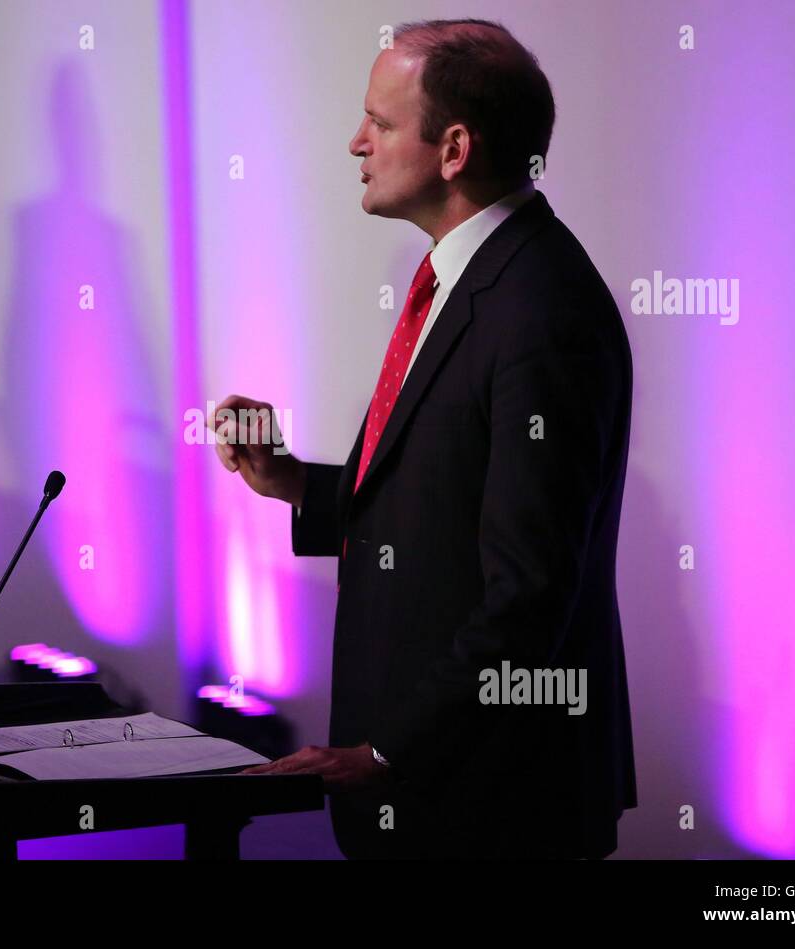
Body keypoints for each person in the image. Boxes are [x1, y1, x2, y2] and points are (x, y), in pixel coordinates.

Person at [212, 19, 637, 859]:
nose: (354, 142)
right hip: (437, 796)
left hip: (491, 807)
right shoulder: (470, 276)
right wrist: (295, 480)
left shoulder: (541, 309)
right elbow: (440, 510)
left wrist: (385, 751)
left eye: (379, 122)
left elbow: (528, 595)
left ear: (453, 149)